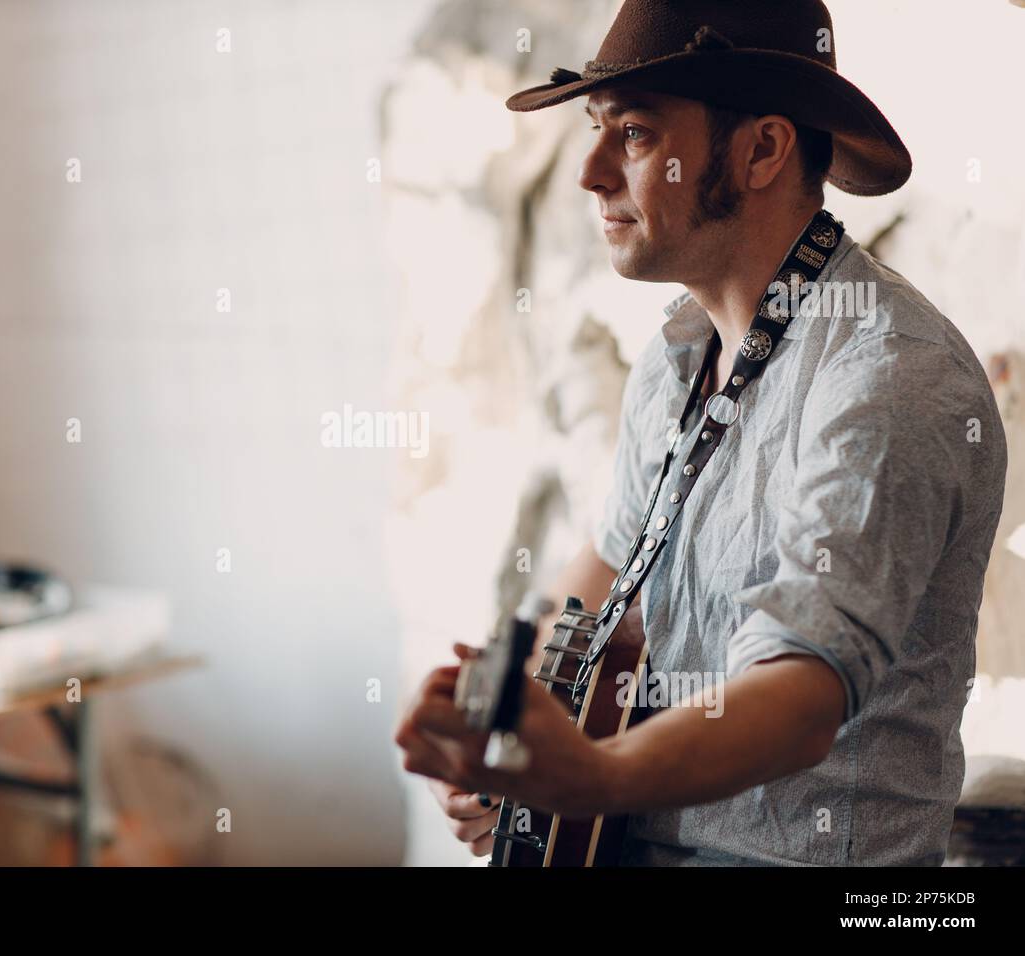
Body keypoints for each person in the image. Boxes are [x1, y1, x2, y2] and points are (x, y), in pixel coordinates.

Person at [394, 0, 1008, 865]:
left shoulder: (889, 377)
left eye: (635, 133)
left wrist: (595, 780)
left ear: (762, 150)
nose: (591, 173)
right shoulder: (679, 353)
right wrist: (505, 731)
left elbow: (797, 696)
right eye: (596, 130)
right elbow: (605, 572)